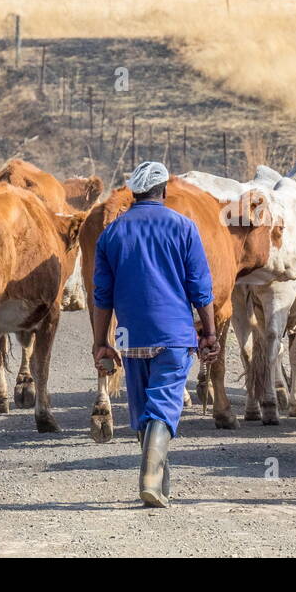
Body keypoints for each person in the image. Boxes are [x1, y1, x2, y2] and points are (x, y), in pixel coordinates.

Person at [90, 161, 219, 507]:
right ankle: (150, 479)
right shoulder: (184, 227)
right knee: (163, 406)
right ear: (163, 191)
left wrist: (101, 341)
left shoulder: (112, 234)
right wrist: (209, 332)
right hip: (174, 336)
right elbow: (201, 289)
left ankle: (160, 483)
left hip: (130, 337)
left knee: (143, 408)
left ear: (134, 191)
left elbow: (101, 295)